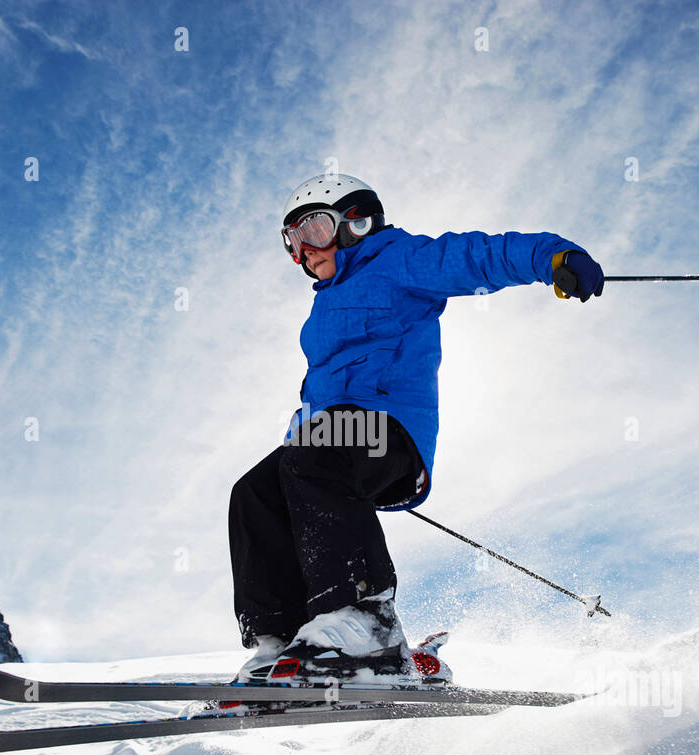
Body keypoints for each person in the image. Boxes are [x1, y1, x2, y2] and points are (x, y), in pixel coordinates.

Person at [228, 173, 603, 686]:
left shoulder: (398, 259)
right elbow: (321, 398)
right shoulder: (323, 305)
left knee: (315, 453)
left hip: (391, 434)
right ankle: (284, 640)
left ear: (356, 223)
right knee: (254, 492)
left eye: (313, 230)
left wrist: (551, 256)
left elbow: (475, 256)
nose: (304, 251)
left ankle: (366, 622)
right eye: (292, 241)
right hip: (332, 443)